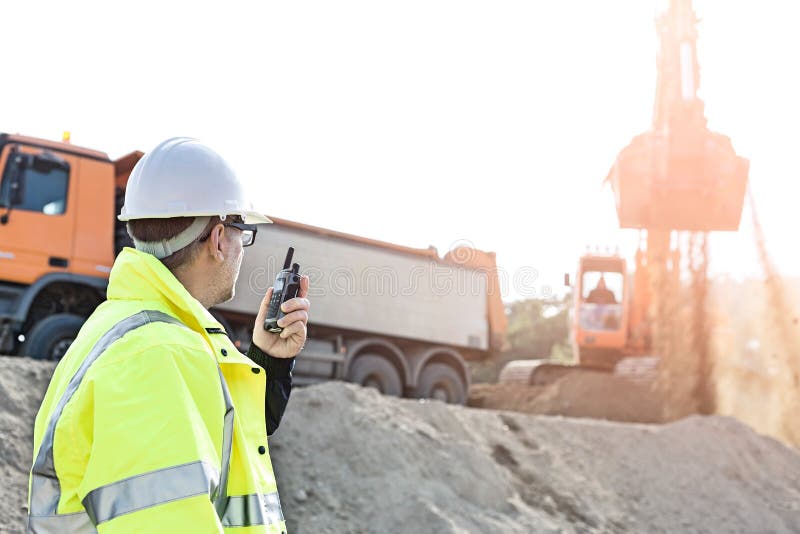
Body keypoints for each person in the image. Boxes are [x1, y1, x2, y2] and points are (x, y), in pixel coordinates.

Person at [27, 138, 309, 533]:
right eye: (242, 232)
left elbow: (219, 442)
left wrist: (269, 359)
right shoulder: (159, 355)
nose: (241, 247)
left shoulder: (119, 328)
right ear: (217, 239)